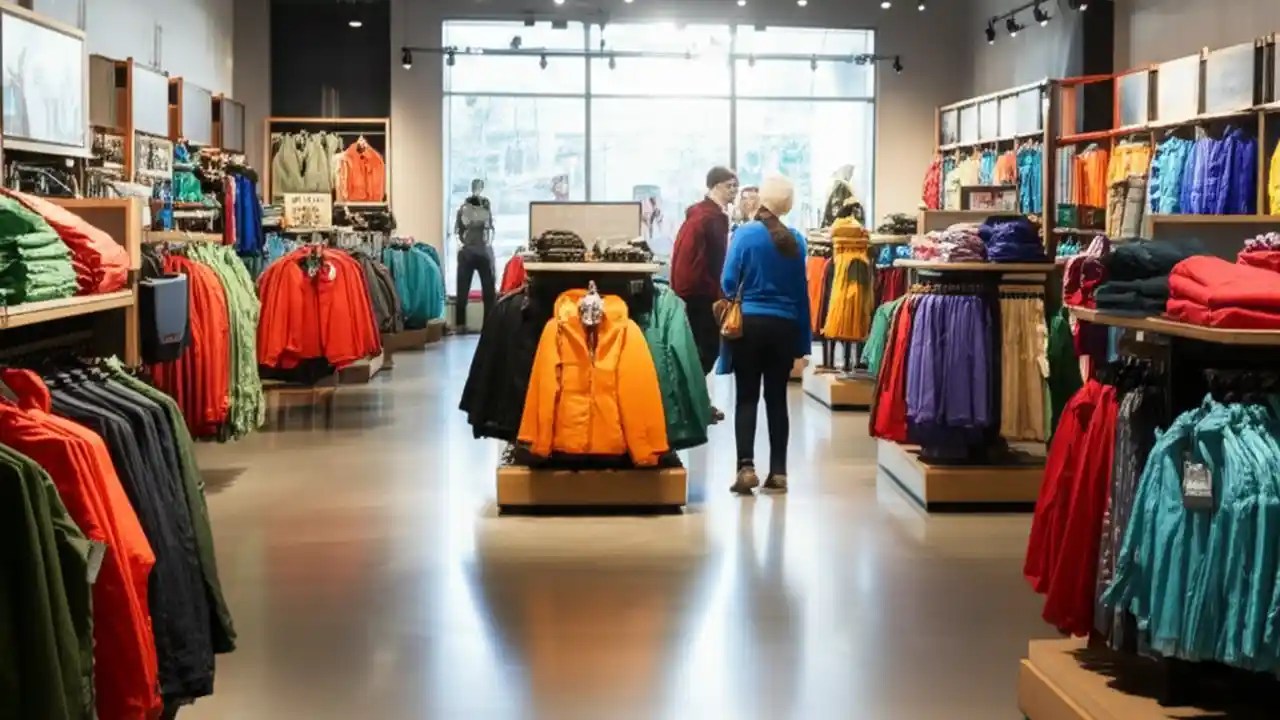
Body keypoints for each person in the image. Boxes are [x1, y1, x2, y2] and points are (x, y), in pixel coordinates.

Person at [720, 176, 811, 495]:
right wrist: (803, 342)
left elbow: (728, 282)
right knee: (777, 398)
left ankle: (746, 467)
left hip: (750, 325)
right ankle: (779, 472)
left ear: (763, 200)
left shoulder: (745, 235)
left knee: (746, 396)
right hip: (784, 328)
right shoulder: (797, 241)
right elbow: (801, 295)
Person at [671, 166, 738, 421]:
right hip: (703, 293)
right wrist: (718, 291)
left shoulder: (697, 214)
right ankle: (693, 404)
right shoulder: (713, 218)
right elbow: (716, 260)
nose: (734, 191)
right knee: (708, 348)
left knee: (698, 348)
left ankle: (693, 402)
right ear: (715, 186)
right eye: (729, 186)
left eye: (735, 186)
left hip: (690, 291)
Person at [454, 178, 496, 333]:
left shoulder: (466, 208)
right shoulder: (481, 208)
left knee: (467, 289)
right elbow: (489, 229)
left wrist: (464, 243)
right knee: (484, 291)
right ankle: (485, 324)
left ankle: (463, 325)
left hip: (472, 250)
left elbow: (458, 231)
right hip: (479, 251)